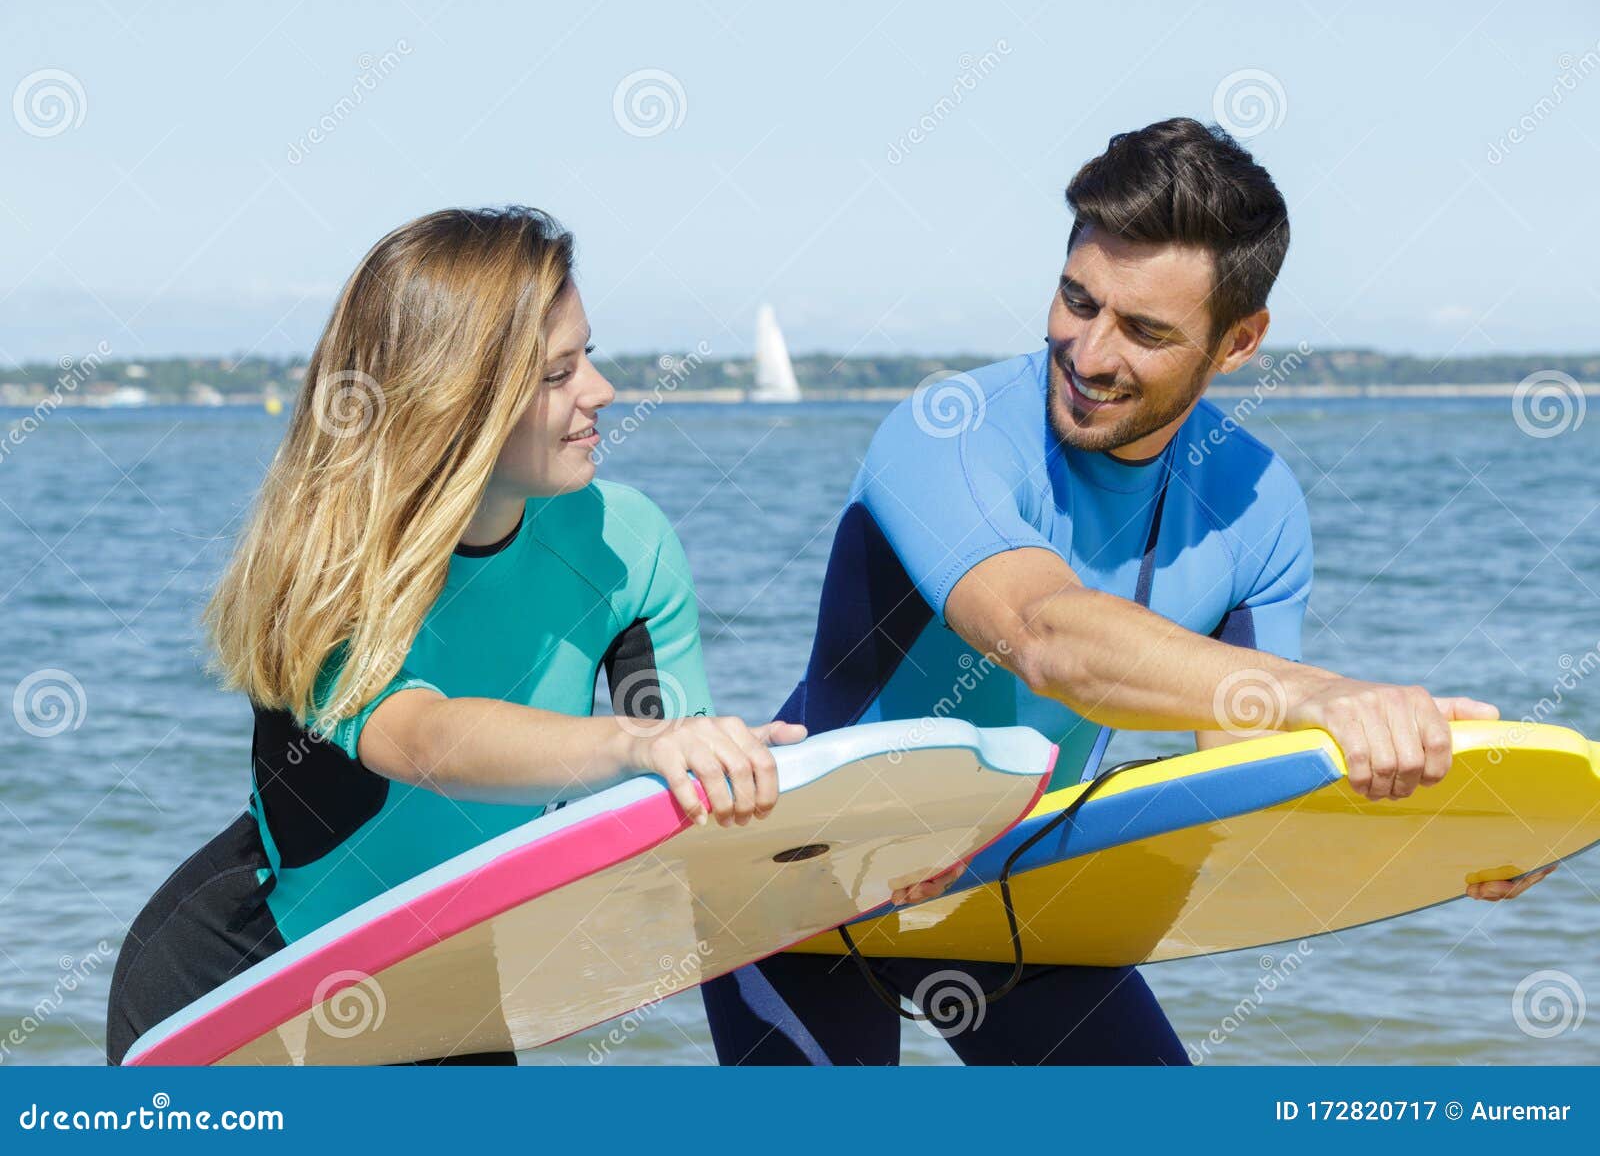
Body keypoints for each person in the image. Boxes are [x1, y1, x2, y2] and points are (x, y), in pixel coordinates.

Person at [701, 117, 1550, 1067]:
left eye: (1145, 331)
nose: (1092, 353)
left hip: (1009, 876)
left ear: (1239, 342)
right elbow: (1044, 635)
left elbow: (1247, 779)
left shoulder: (1255, 504)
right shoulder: (946, 434)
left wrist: (1454, 823)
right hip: (804, 883)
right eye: (1077, 299)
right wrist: (1321, 693)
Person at [105, 207, 803, 1065]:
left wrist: (861, 865)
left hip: (449, 992)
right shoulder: (334, 571)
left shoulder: (629, 546)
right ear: (459, 401)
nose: (601, 390)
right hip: (245, 987)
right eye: (557, 373)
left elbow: (685, 808)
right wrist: (636, 741)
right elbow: (425, 737)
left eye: (587, 354)